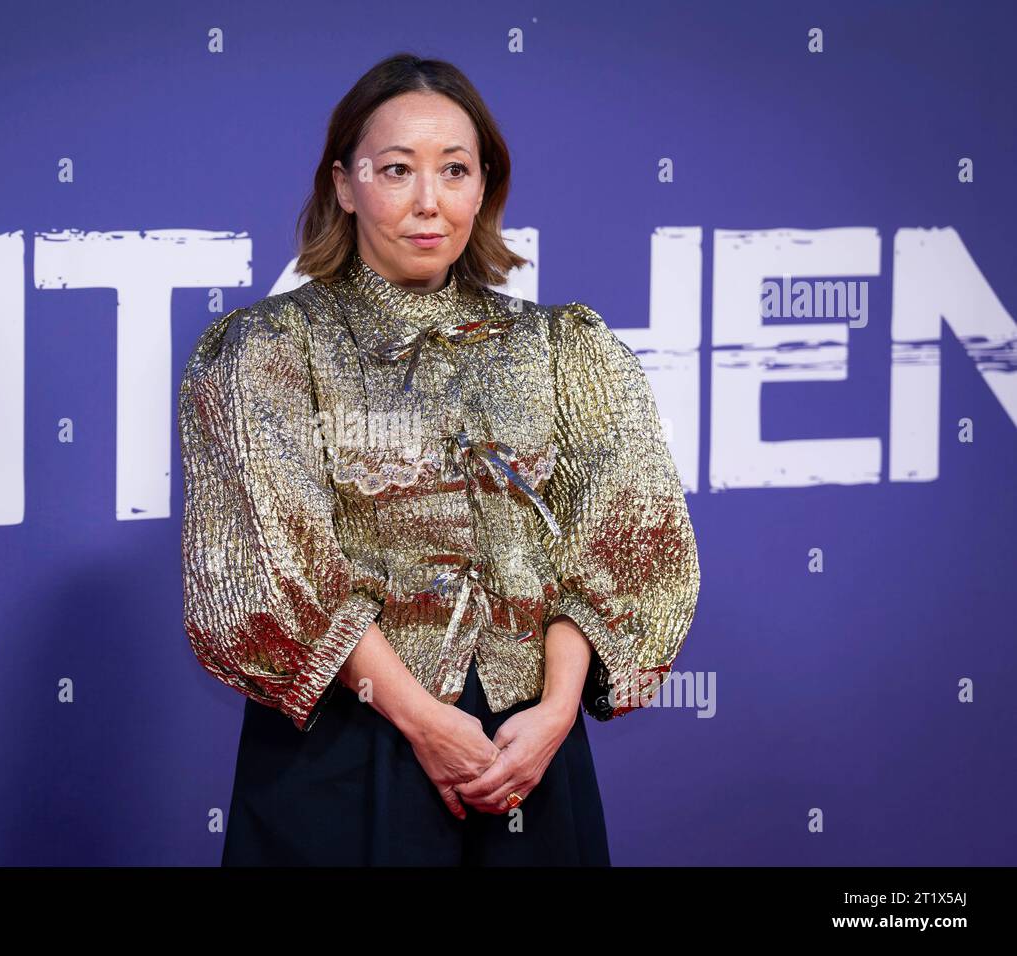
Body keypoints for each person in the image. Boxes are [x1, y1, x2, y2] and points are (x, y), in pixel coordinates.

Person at [178, 52, 700, 866]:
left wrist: (557, 711)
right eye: (396, 170)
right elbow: (273, 567)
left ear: (484, 186)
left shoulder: (561, 347)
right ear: (345, 184)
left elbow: (624, 538)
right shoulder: (267, 350)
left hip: (527, 751)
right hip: (348, 748)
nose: (430, 201)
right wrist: (425, 720)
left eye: (454, 170)